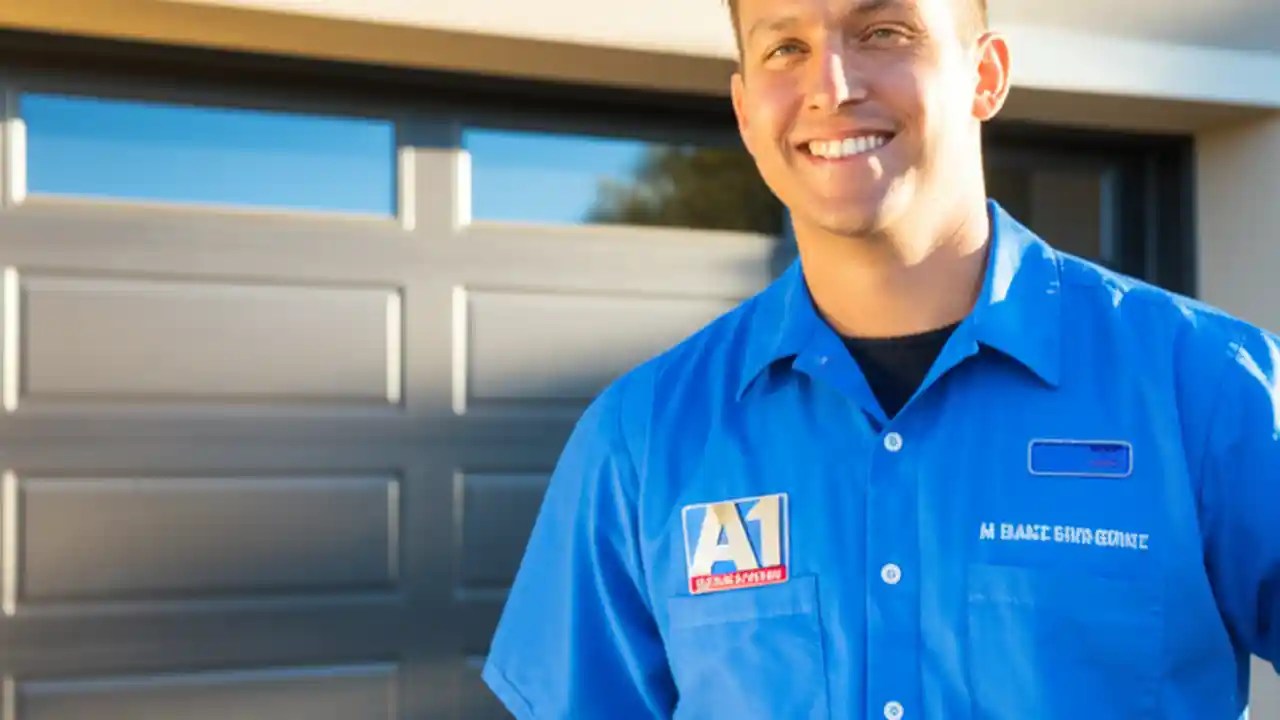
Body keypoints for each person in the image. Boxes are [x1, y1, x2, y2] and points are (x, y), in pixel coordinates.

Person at [481, 0, 1280, 716]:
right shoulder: (642, 439)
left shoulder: (1208, 389)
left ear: (985, 74)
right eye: (785, 48)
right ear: (745, 110)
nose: (832, 84)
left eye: (884, 32)